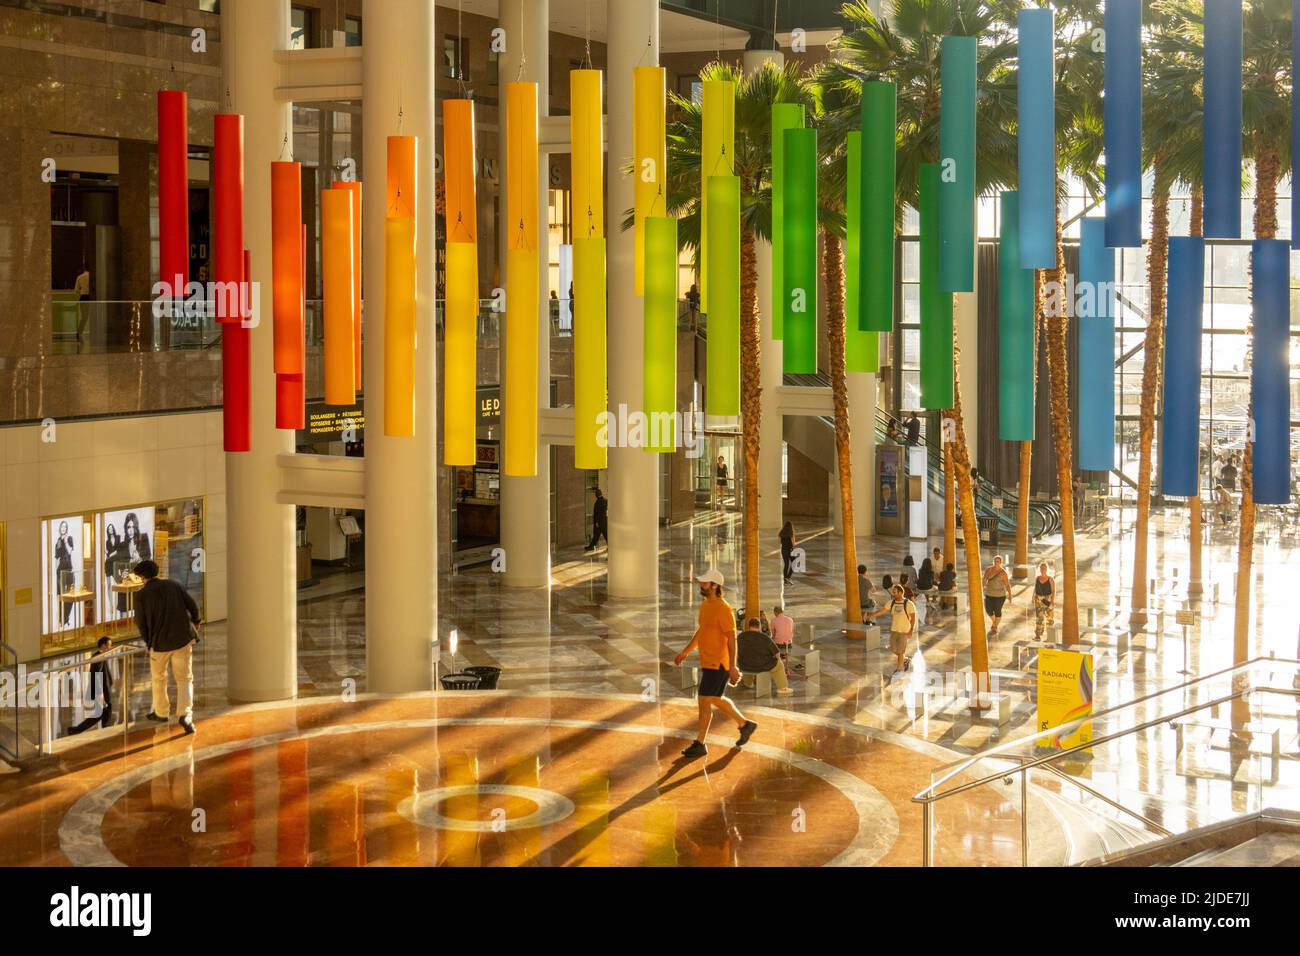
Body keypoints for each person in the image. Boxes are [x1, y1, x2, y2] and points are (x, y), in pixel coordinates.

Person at [672, 569, 757, 758]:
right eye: (701, 582)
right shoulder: (705, 606)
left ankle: (700, 743)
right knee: (714, 699)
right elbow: (701, 631)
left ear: (714, 585)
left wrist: (733, 666)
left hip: (719, 664)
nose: (701, 585)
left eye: (704, 582)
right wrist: (685, 651)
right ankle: (745, 725)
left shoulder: (724, 608)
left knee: (704, 701)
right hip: (708, 662)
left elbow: (732, 638)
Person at [134, 559, 201, 734]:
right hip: (182, 640)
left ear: (142, 577)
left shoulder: (141, 595)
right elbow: (191, 604)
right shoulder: (174, 585)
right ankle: (185, 715)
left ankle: (161, 712)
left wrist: (149, 641)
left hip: (159, 644)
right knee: (185, 679)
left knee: (158, 678)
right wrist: (196, 621)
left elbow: (141, 623)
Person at [66, 637, 115, 735]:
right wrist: (101, 693)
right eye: (109, 645)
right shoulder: (98, 657)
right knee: (105, 712)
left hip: (103, 690)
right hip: (102, 691)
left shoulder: (101, 655)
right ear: (103, 645)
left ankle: (75, 730)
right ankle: (105, 731)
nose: (111, 647)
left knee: (101, 713)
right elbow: (95, 675)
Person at [737, 618, 794, 697]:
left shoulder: (740, 637)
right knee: (779, 664)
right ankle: (782, 688)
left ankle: (748, 683)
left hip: (744, 666)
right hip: (762, 666)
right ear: (759, 626)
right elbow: (777, 654)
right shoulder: (765, 638)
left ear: (748, 626)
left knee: (748, 660)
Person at [868, 584, 917, 675]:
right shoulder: (892, 602)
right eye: (893, 592)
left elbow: (913, 618)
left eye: (895, 592)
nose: (893, 594)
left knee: (901, 651)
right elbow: (883, 610)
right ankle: (905, 660)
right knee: (893, 649)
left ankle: (899, 670)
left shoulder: (909, 604)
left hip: (904, 631)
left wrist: (911, 630)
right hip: (894, 630)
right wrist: (872, 615)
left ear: (901, 592)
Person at [982, 554, 1011, 636]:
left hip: (1000, 595)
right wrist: (983, 587)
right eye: (995, 561)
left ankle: (994, 626)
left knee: (997, 611)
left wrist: (1010, 594)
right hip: (989, 593)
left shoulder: (1003, 572)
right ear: (993, 561)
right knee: (988, 610)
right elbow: (984, 579)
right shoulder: (988, 570)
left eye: (998, 561)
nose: (996, 562)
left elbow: (1007, 584)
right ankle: (995, 623)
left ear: (1000, 562)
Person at [1032, 562, 1055, 641]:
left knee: (1050, 619)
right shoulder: (1037, 578)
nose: (1043, 570)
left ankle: (1050, 636)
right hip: (1038, 601)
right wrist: (1033, 597)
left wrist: (1052, 602)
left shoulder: (1050, 579)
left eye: (1044, 568)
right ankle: (1038, 635)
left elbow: (1053, 591)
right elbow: (1035, 589)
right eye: (1041, 568)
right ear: (1040, 569)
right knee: (1039, 618)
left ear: (1047, 569)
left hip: (1048, 601)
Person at [74, 263, 91, 344]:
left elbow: (76, 290)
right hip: (91, 298)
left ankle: (79, 332)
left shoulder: (80, 277)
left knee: (84, 317)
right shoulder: (93, 277)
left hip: (83, 298)